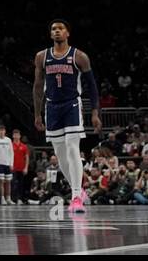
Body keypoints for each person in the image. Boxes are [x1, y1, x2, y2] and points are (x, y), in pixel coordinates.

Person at [33, 18, 101, 214]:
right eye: (53, 29)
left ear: (67, 33)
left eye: (60, 28)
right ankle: (78, 190)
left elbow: (93, 87)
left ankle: (76, 196)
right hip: (52, 107)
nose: (57, 31)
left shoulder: (79, 57)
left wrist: (95, 112)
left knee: (73, 148)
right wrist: (37, 114)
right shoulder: (41, 57)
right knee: (61, 156)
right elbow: (38, 87)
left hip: (72, 104)